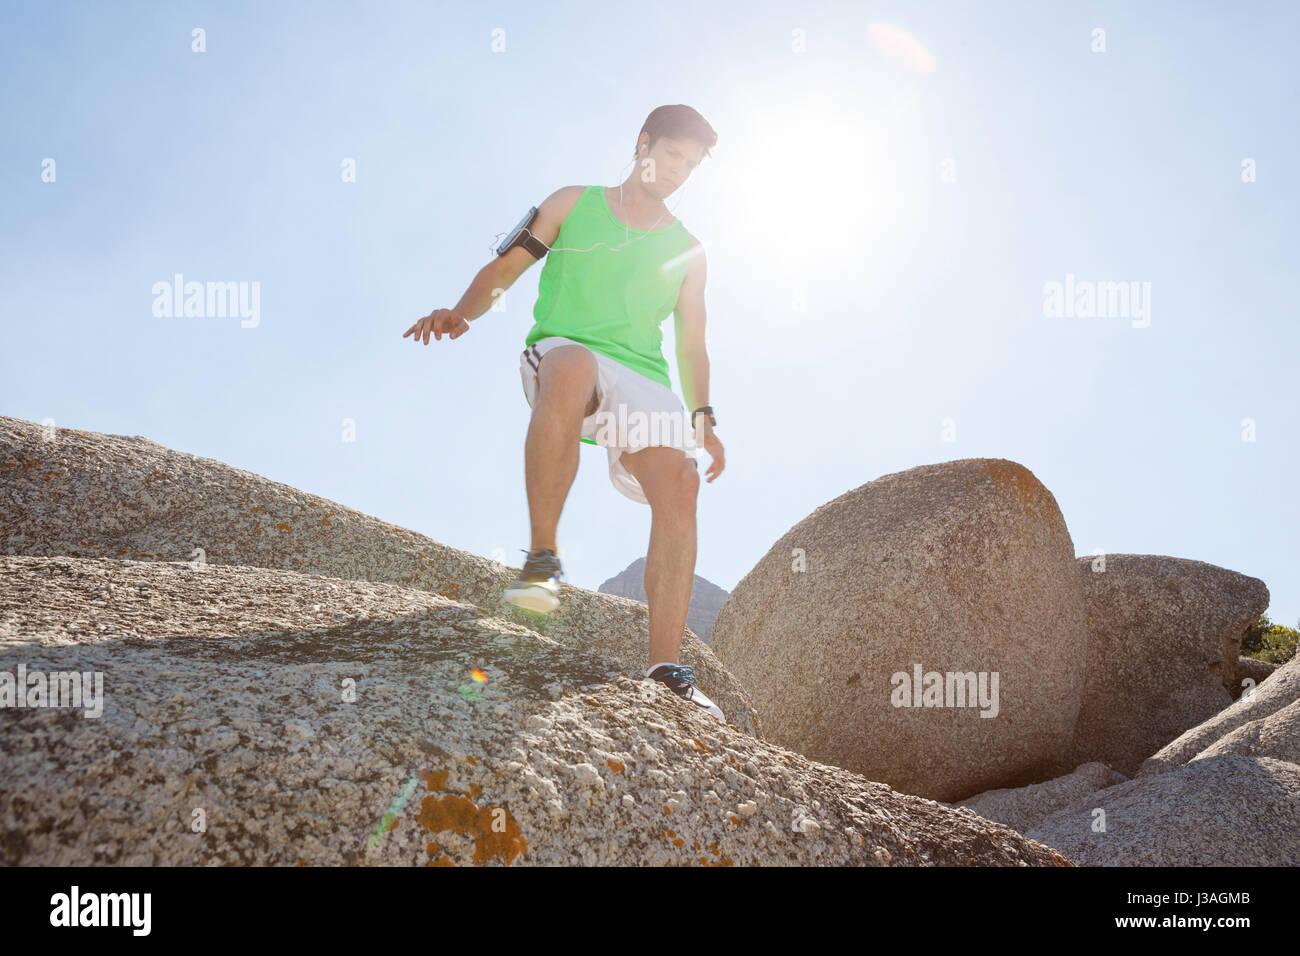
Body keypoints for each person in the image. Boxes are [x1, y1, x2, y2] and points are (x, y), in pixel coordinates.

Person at [403, 105, 726, 723]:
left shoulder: (688, 249)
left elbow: (692, 343)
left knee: (681, 482)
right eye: (673, 155)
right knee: (573, 366)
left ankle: (666, 669)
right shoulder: (571, 202)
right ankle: (544, 559)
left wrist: (705, 418)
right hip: (563, 354)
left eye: (691, 165)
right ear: (643, 143)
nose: (679, 172)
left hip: (642, 377)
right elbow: (507, 267)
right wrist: (462, 312)